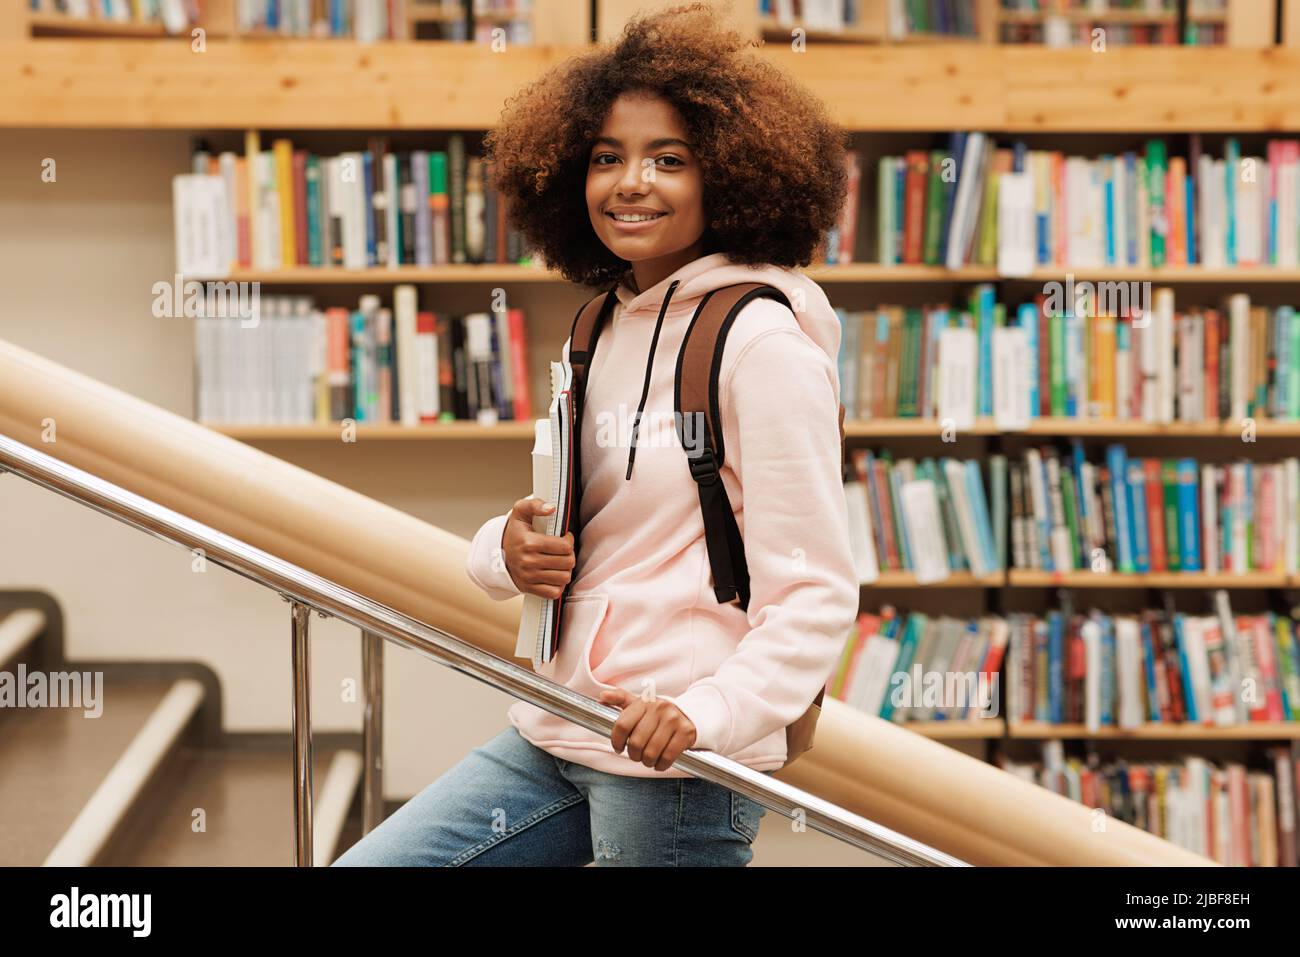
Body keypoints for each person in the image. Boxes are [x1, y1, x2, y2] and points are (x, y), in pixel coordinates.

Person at [333, 1, 858, 867]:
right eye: (607, 157)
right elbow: (578, 523)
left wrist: (707, 711)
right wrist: (503, 552)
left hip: (676, 759)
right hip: (559, 726)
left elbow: (815, 591)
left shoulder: (764, 346)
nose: (630, 182)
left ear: (728, 175)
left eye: (669, 160)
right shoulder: (597, 328)